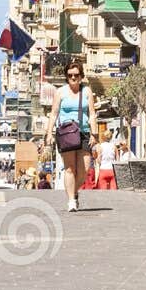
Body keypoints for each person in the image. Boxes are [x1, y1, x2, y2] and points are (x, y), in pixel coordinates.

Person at [43, 61, 97, 214]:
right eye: (70, 75)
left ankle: (73, 192)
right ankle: (71, 201)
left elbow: (92, 114)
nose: (73, 78)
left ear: (81, 76)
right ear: (66, 76)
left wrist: (94, 133)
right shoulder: (60, 92)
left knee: (85, 169)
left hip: (84, 132)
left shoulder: (86, 91)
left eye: (76, 75)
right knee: (70, 168)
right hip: (66, 133)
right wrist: (49, 133)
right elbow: (53, 114)